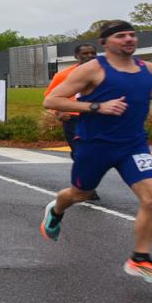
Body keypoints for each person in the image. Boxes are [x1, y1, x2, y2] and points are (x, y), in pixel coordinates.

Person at [39, 21, 152, 283]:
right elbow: (52, 100)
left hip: (134, 145)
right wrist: (97, 107)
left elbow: (136, 89)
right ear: (104, 43)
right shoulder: (92, 69)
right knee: (79, 193)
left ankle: (140, 259)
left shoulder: (146, 68)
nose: (129, 39)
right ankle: (56, 211)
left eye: (132, 35)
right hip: (95, 145)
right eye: (120, 36)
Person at [44, 43, 100, 201]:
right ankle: (85, 188)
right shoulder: (64, 75)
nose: (89, 56)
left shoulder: (104, 73)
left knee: (95, 154)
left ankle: (85, 181)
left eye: (92, 52)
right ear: (76, 56)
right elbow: (50, 98)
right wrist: (59, 112)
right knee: (81, 154)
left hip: (97, 118)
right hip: (74, 119)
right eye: (85, 53)